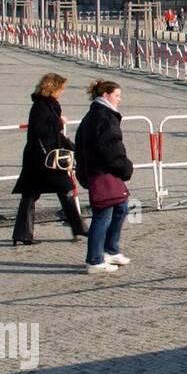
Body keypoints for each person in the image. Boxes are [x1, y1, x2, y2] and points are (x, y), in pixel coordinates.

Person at [11, 73, 87, 245]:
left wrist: (72, 147)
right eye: (61, 88)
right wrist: (59, 122)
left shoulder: (48, 105)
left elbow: (54, 134)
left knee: (31, 195)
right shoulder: (41, 106)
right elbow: (39, 129)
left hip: (41, 158)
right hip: (43, 159)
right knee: (64, 190)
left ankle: (22, 234)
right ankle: (79, 227)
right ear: (53, 88)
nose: (62, 91)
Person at [74, 79, 134, 274]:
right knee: (103, 214)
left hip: (101, 171)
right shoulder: (104, 117)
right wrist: (125, 167)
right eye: (117, 95)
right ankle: (94, 259)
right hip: (103, 172)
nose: (120, 99)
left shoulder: (95, 115)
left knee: (121, 207)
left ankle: (110, 249)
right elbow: (111, 148)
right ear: (106, 96)